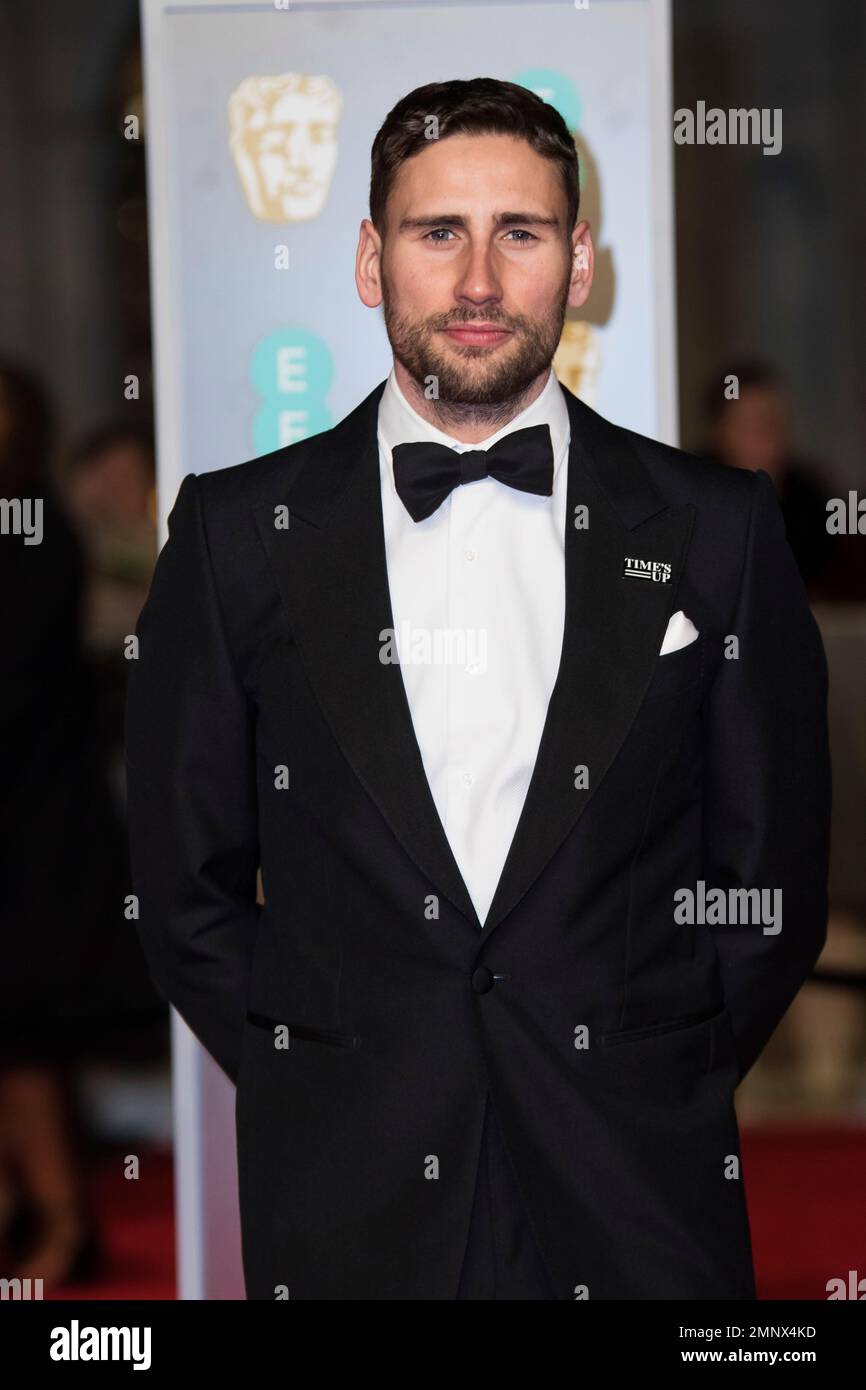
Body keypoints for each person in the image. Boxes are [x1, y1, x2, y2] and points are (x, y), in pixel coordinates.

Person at [125, 78, 831, 1300]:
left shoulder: (717, 531)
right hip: (347, 1192)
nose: (476, 281)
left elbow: (768, 873)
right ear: (366, 259)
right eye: (434, 231)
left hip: (636, 1184)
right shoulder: (238, 533)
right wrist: (331, 1070)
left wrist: (655, 1063)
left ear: (579, 263)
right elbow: (181, 889)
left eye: (520, 232)